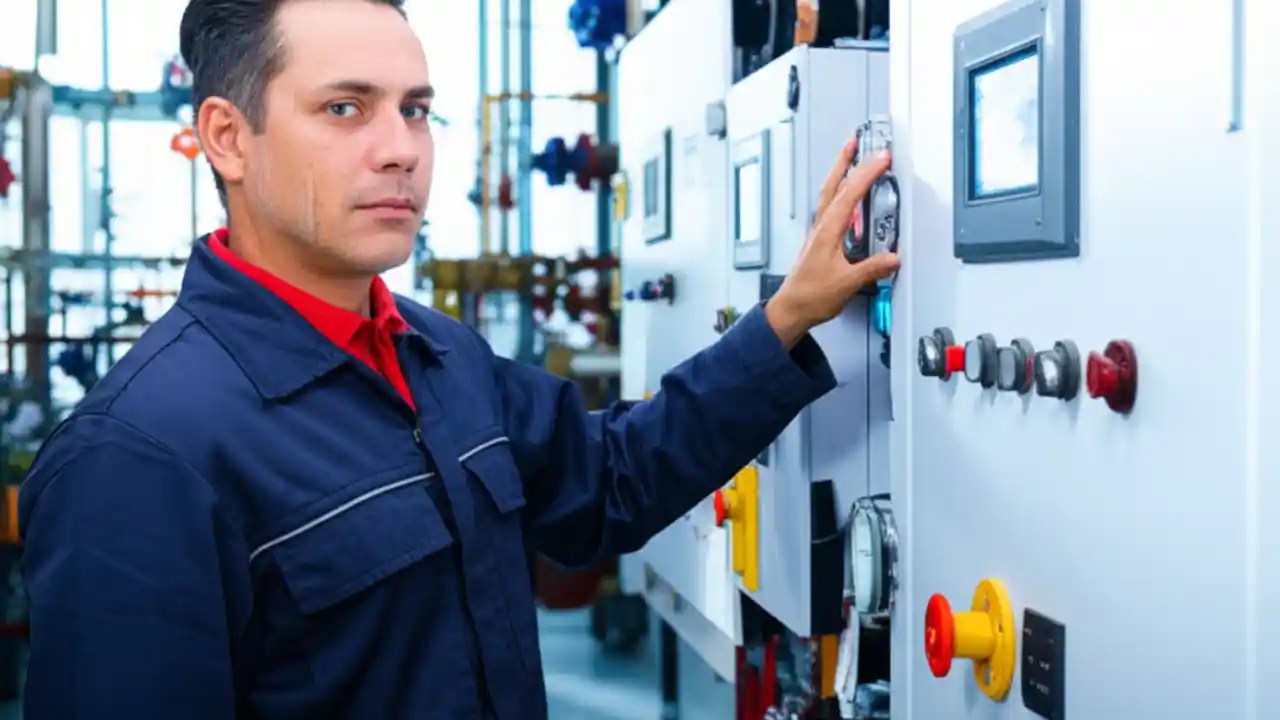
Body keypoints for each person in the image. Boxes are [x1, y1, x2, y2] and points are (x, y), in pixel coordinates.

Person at [16, 0, 900, 717]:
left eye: (416, 108)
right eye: (344, 108)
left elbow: (613, 478)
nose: (401, 146)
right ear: (226, 138)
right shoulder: (139, 458)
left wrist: (787, 316)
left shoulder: (439, 357)